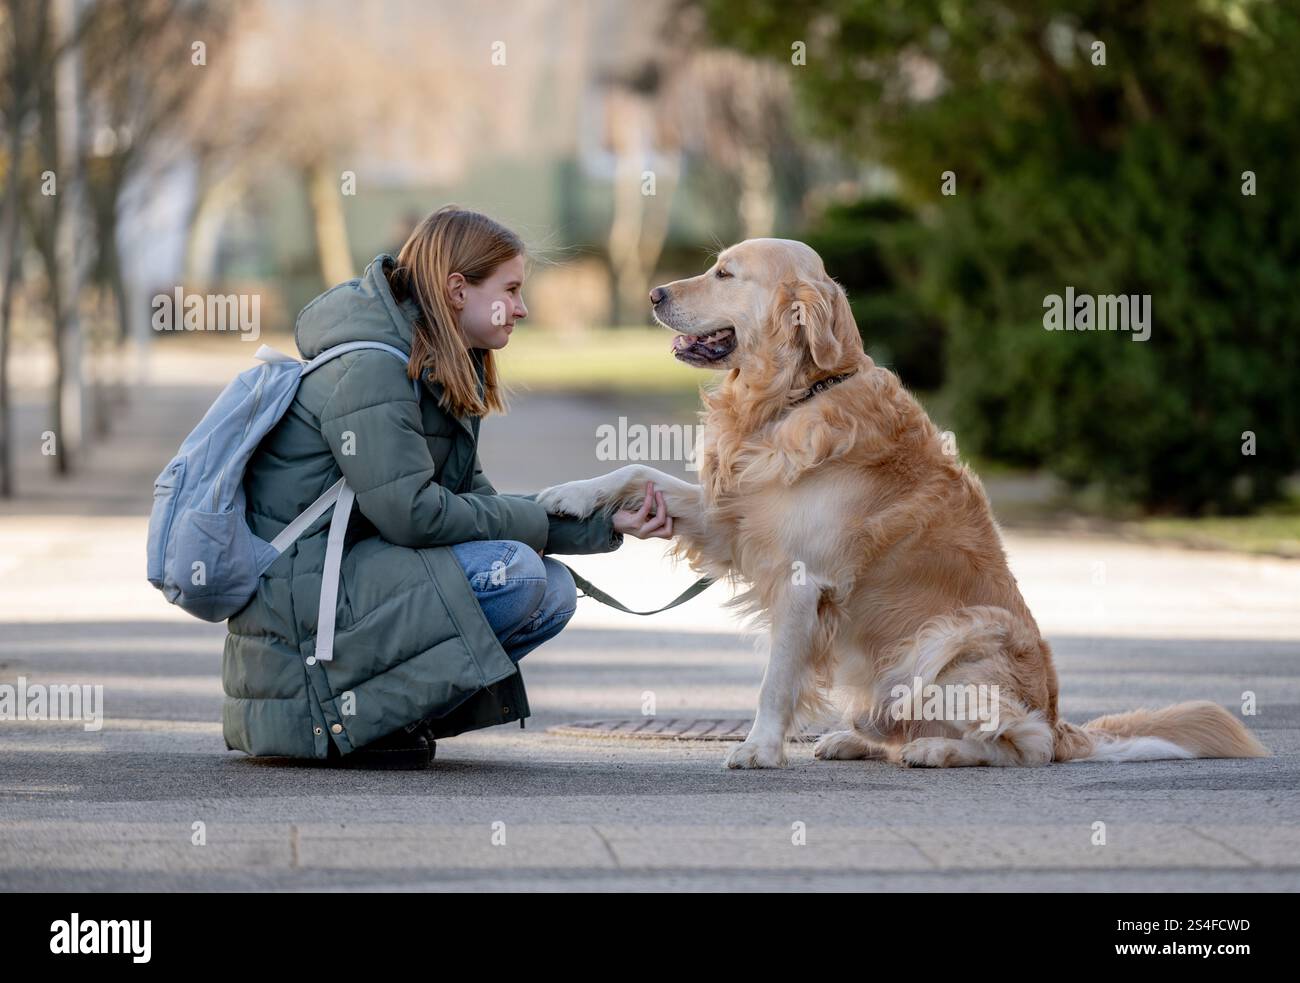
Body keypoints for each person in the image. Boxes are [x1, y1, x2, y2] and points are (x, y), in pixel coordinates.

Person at [223, 206, 673, 769]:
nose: (523, 308)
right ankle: (353, 718)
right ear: (458, 290)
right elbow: (411, 515)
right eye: (509, 289)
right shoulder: (372, 371)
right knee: (520, 573)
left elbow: (477, 504)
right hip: (304, 618)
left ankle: (384, 719)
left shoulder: (429, 366)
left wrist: (604, 522)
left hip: (342, 590)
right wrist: (540, 529)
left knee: (553, 590)